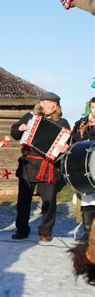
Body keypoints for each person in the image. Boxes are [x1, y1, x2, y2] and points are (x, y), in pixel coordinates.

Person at [10, 92, 70, 242]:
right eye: (48, 102)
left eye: (54, 103)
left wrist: (66, 147)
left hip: (48, 165)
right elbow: (14, 133)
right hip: (28, 164)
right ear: (41, 103)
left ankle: (45, 231)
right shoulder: (29, 117)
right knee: (23, 200)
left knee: (49, 201)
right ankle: (22, 230)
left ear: (57, 106)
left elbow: (70, 144)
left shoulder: (62, 123)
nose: (50, 105)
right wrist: (20, 128)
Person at [71, 97, 95, 240]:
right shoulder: (81, 123)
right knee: (87, 197)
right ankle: (88, 233)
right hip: (84, 166)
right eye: (93, 108)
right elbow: (75, 143)